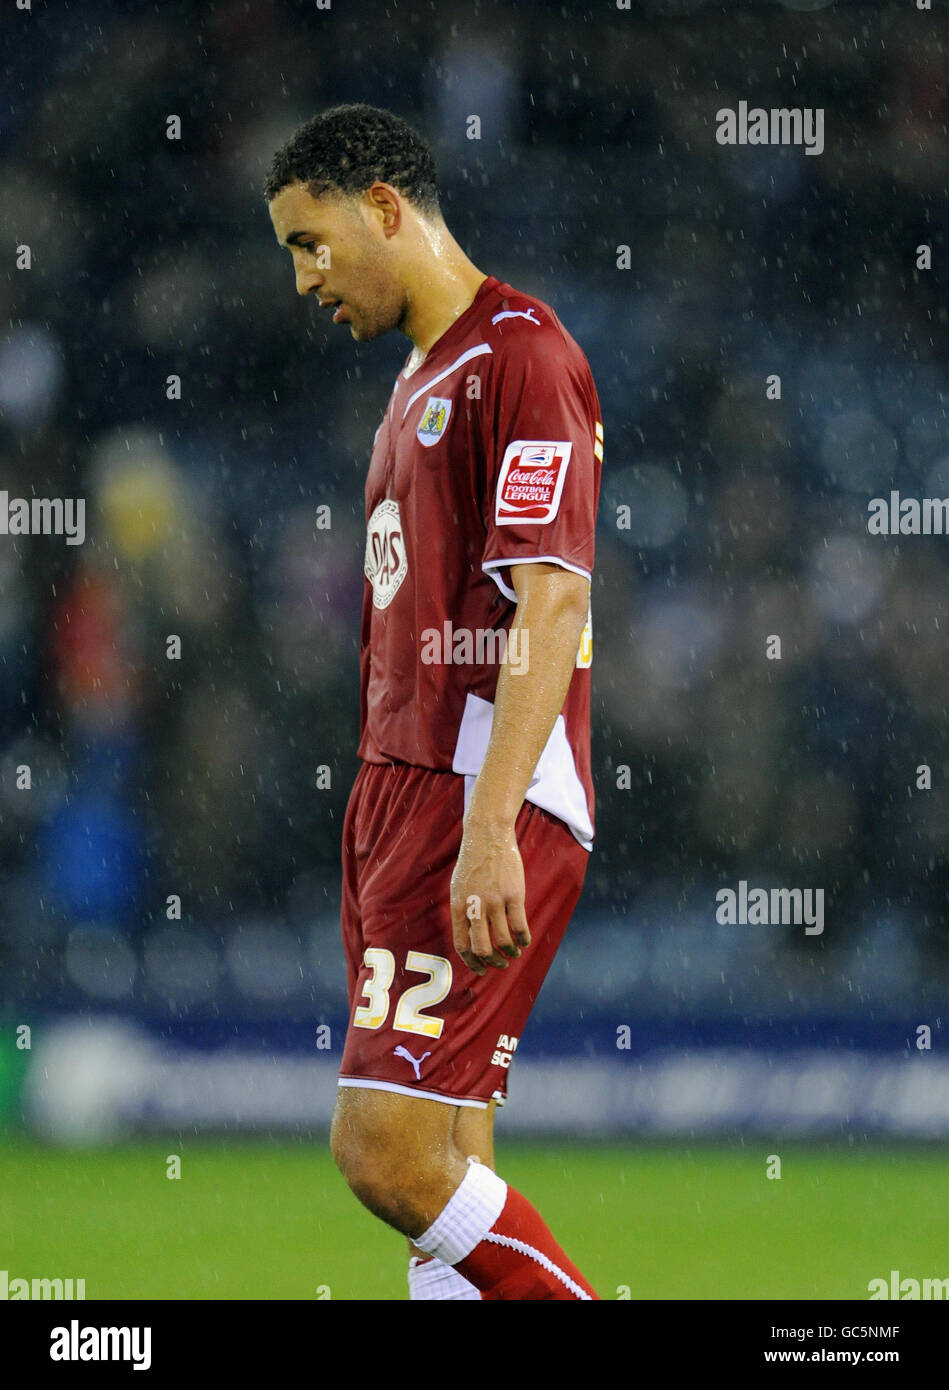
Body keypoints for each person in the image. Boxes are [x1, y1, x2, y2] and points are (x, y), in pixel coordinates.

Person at [265, 103, 603, 1300]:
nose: (304, 278)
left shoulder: (520, 353)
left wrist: (489, 826)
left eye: (311, 242)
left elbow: (551, 603)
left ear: (386, 208)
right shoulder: (421, 374)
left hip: (472, 792)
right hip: (403, 785)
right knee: (448, 1156)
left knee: (383, 1153)